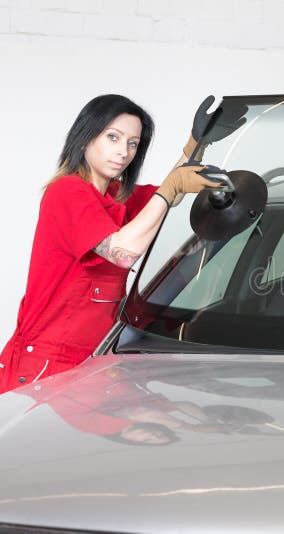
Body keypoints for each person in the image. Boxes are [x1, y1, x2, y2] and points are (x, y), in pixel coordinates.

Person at [0, 94, 227, 393]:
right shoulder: (67, 192)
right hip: (46, 364)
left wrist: (196, 143)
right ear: (84, 138)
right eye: (113, 137)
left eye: (132, 143)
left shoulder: (117, 195)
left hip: (92, 360)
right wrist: (172, 188)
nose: (123, 152)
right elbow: (122, 253)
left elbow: (172, 196)